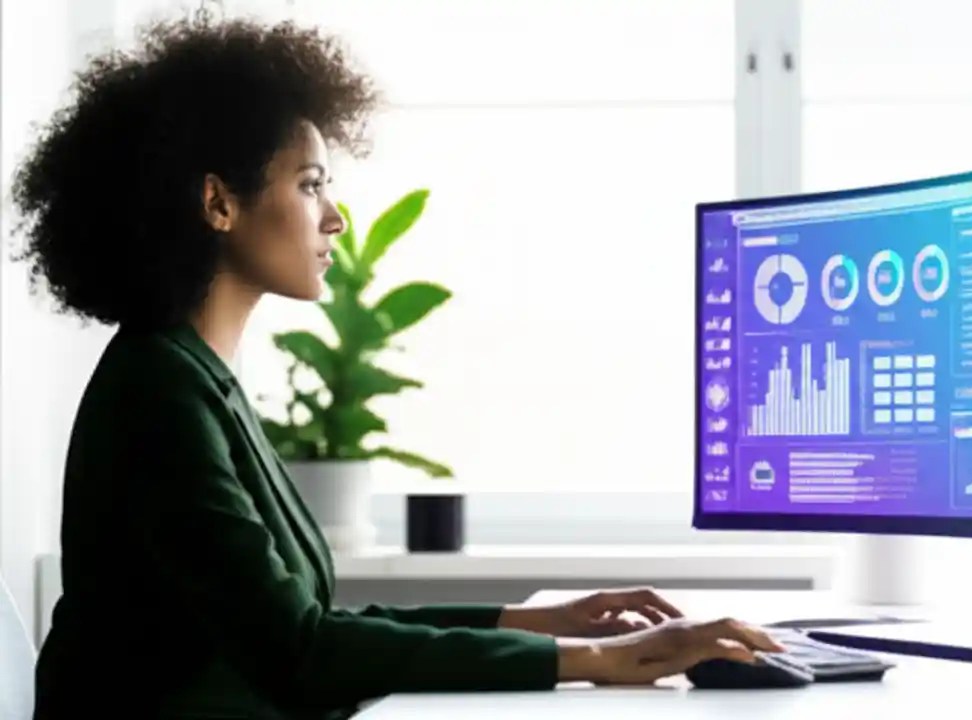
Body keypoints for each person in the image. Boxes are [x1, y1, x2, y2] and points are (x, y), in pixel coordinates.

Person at [12, 14, 783, 720]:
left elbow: (308, 624)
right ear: (219, 204)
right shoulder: (158, 396)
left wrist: (542, 622)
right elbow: (303, 654)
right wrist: (594, 661)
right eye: (310, 185)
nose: (334, 217)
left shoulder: (190, 374)